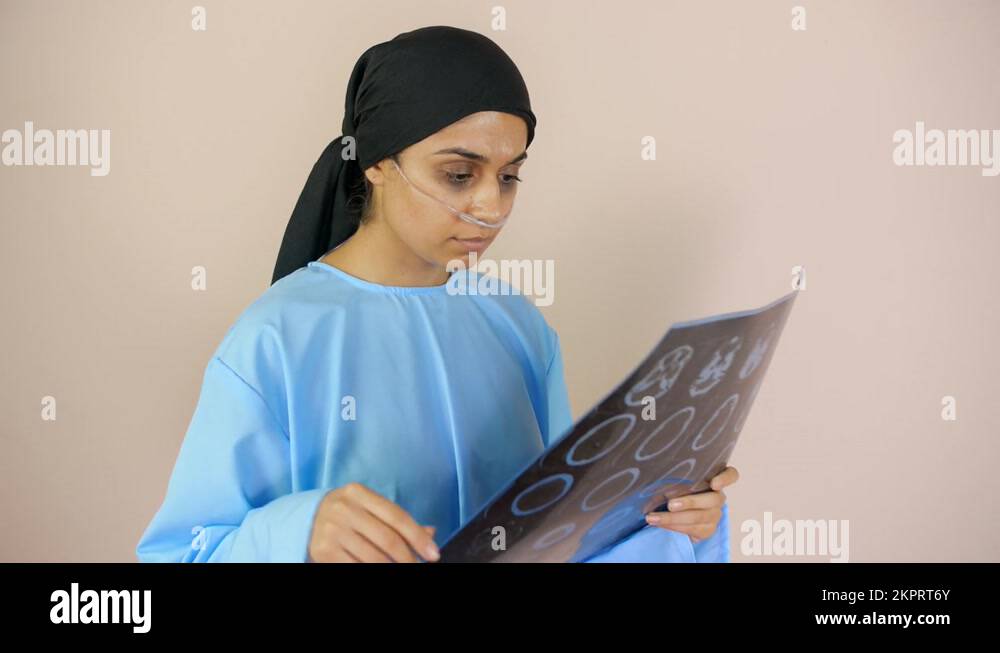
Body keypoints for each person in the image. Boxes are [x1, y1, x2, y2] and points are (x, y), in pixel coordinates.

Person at [136, 25, 738, 563]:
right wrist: (297, 535)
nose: (490, 207)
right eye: (458, 174)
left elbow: (561, 534)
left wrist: (674, 523)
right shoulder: (275, 338)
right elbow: (183, 552)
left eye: (509, 177)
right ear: (375, 162)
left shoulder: (519, 329)